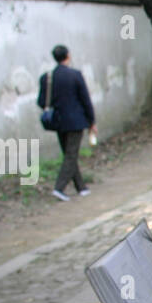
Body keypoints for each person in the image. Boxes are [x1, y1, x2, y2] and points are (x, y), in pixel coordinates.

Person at [37, 44, 96, 201]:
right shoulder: (75, 75)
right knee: (71, 155)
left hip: (58, 122)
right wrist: (92, 121)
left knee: (69, 154)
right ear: (68, 56)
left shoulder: (47, 77)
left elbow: (41, 102)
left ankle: (81, 187)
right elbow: (85, 100)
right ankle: (59, 188)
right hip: (76, 122)